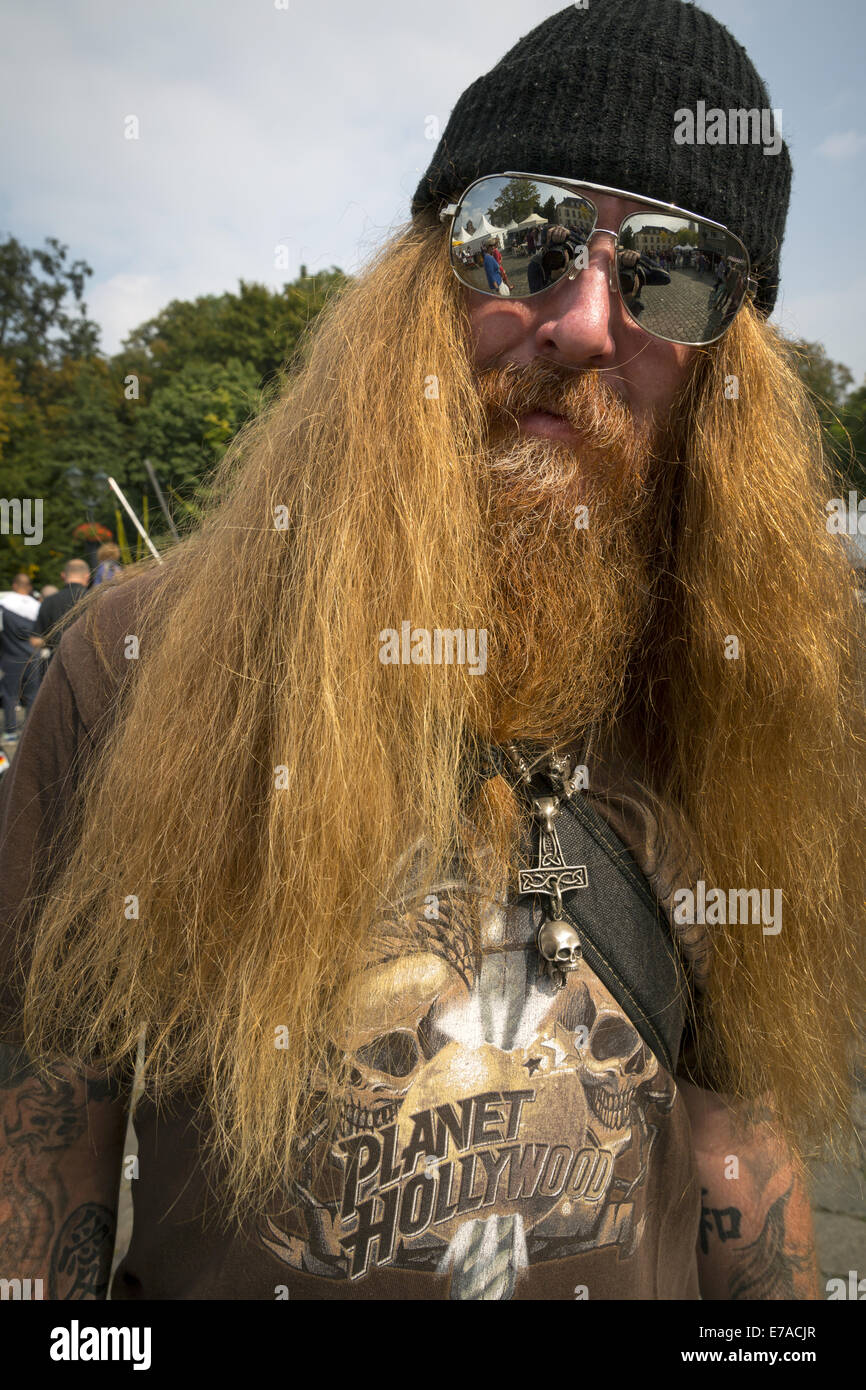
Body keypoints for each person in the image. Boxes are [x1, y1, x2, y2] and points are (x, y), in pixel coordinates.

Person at [1, 0, 864, 1304]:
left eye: (671, 274)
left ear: (725, 367)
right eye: (521, 234)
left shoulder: (745, 699)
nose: (579, 321)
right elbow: (40, 1177)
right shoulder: (135, 664)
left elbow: (744, 1159)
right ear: (418, 280)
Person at [0, 575, 40, 744]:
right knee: (32, 696)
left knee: (9, 696)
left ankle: (10, 731)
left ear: (14, 585)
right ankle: (30, 732)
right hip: (33, 656)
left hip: (10, 656)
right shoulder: (37, 605)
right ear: (29, 586)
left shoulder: (4, 605)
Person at [29, 557, 90, 660]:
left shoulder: (49, 601)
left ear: (63, 575)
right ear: (88, 576)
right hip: (88, 664)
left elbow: (34, 640)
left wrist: (52, 641)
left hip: (56, 665)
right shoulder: (98, 599)